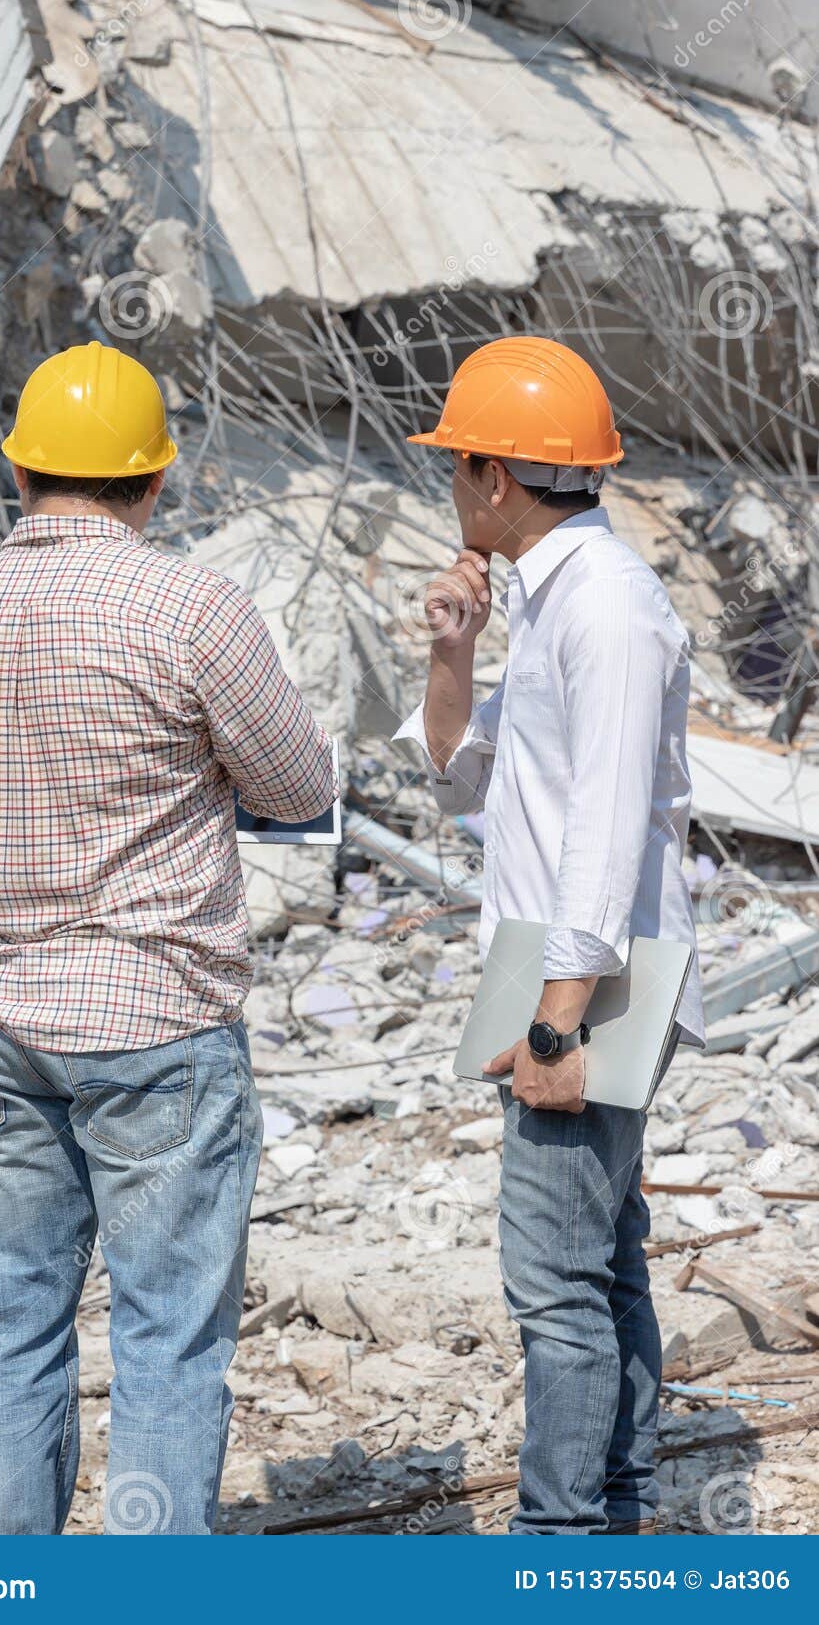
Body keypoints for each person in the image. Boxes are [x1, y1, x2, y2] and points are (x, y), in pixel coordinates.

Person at [0, 342, 335, 1535]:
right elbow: (298, 786)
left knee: (9, 1311)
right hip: (155, 1017)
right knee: (166, 1330)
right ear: (154, 481)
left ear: (22, 474)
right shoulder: (189, 605)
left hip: (3, 1017)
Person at [395, 336, 702, 1535]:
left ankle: (560, 1542)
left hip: (593, 977)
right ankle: (610, 1516)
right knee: (602, 1255)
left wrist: (553, 1021)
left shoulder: (610, 611)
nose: (450, 490)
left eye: (455, 468)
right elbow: (459, 780)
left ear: (494, 477)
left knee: (555, 1281)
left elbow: (607, 828)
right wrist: (450, 652)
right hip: (562, 963)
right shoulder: (546, 595)